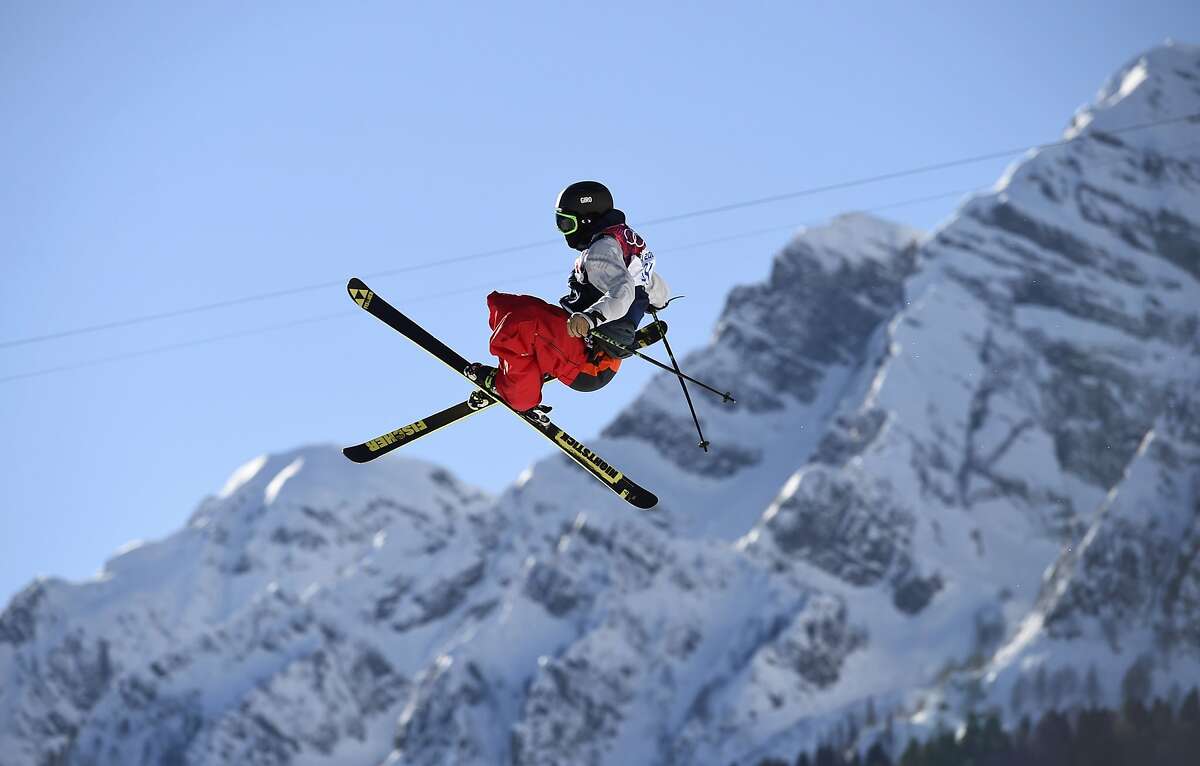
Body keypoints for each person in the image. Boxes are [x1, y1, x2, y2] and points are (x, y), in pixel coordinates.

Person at [466, 181, 670, 412]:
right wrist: (656, 304)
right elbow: (653, 285)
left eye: (566, 224)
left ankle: (517, 394)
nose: (565, 232)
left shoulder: (600, 251)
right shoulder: (624, 244)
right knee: (510, 306)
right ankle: (523, 368)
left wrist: (591, 318)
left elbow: (623, 291)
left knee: (521, 325)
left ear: (587, 220)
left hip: (591, 362)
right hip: (587, 345)